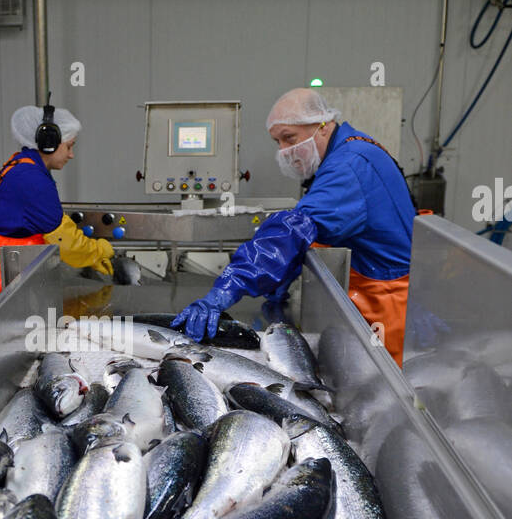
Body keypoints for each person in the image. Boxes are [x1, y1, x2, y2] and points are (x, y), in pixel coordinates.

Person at [172, 88, 417, 366]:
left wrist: (225, 291)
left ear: (322, 126)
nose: (284, 151)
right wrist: (285, 269)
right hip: (376, 288)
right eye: (277, 141)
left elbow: (291, 231)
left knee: (380, 393)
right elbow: (322, 225)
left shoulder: (349, 166)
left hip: (386, 305)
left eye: (289, 138)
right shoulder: (351, 147)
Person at [0, 103, 114, 332]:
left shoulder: (22, 167)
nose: (71, 154)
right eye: (69, 146)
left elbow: (52, 224)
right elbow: (64, 241)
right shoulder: (30, 178)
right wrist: (97, 251)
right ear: (49, 143)